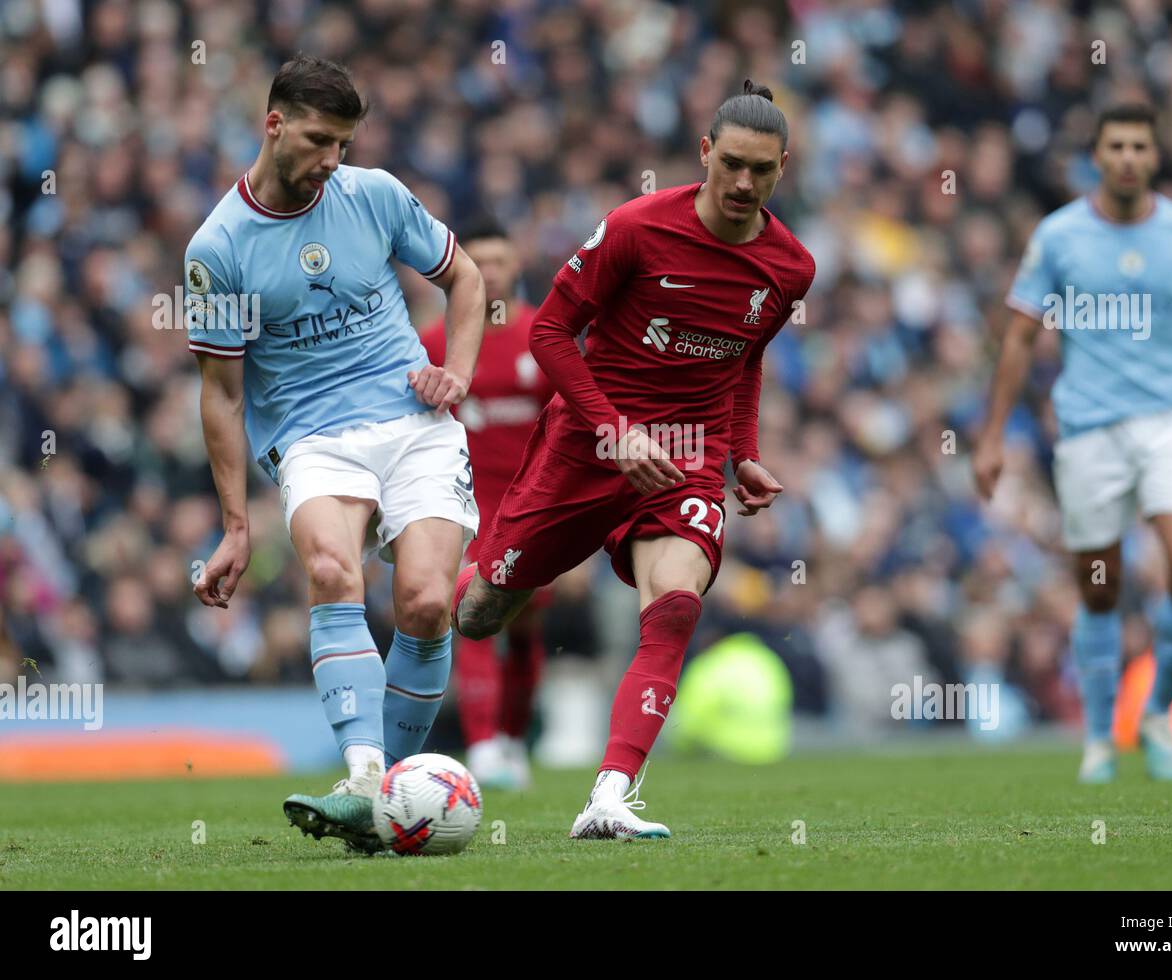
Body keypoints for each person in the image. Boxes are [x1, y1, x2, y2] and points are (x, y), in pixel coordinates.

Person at [452, 81, 816, 839]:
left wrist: (742, 455)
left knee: (677, 605)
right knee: (481, 614)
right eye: (733, 166)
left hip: (688, 456)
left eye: (763, 170)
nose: (745, 184)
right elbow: (552, 331)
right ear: (705, 154)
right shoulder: (635, 227)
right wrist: (614, 430)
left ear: (784, 166)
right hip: (587, 446)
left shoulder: (791, 268)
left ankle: (610, 795)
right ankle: (457, 585)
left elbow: (743, 362)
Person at [186, 54, 485, 851]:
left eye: (343, 145)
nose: (331, 161)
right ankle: (362, 781)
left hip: (413, 423)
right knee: (329, 570)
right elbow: (219, 394)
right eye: (319, 140)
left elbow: (467, 279)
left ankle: (385, 798)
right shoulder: (218, 249)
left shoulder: (375, 194)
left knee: (425, 601)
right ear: (273, 123)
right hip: (312, 436)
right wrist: (235, 527)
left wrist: (456, 372)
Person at [973, 103, 1172, 783]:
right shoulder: (1059, 236)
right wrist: (990, 436)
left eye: (1140, 145)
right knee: (1100, 587)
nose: (1129, 156)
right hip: (1089, 428)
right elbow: (1018, 335)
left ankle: (1158, 709)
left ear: (1154, 156)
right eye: (1117, 146)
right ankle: (1101, 737)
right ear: (1098, 157)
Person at [420, 220, 554, 790]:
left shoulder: (544, 337)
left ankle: (512, 739)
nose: (491, 272)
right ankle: (482, 747)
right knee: (470, 620)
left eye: (500, 260)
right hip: (464, 509)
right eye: (480, 262)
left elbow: (571, 431)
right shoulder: (430, 344)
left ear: (516, 265)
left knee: (524, 632)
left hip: (534, 513)